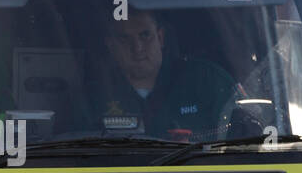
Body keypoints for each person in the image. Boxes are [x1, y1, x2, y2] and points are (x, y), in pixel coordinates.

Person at [91, 9, 240, 141]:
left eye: (145, 35)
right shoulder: (94, 93)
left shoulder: (206, 79)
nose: (137, 48)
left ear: (160, 37)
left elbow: (244, 137)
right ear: (111, 45)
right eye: (125, 39)